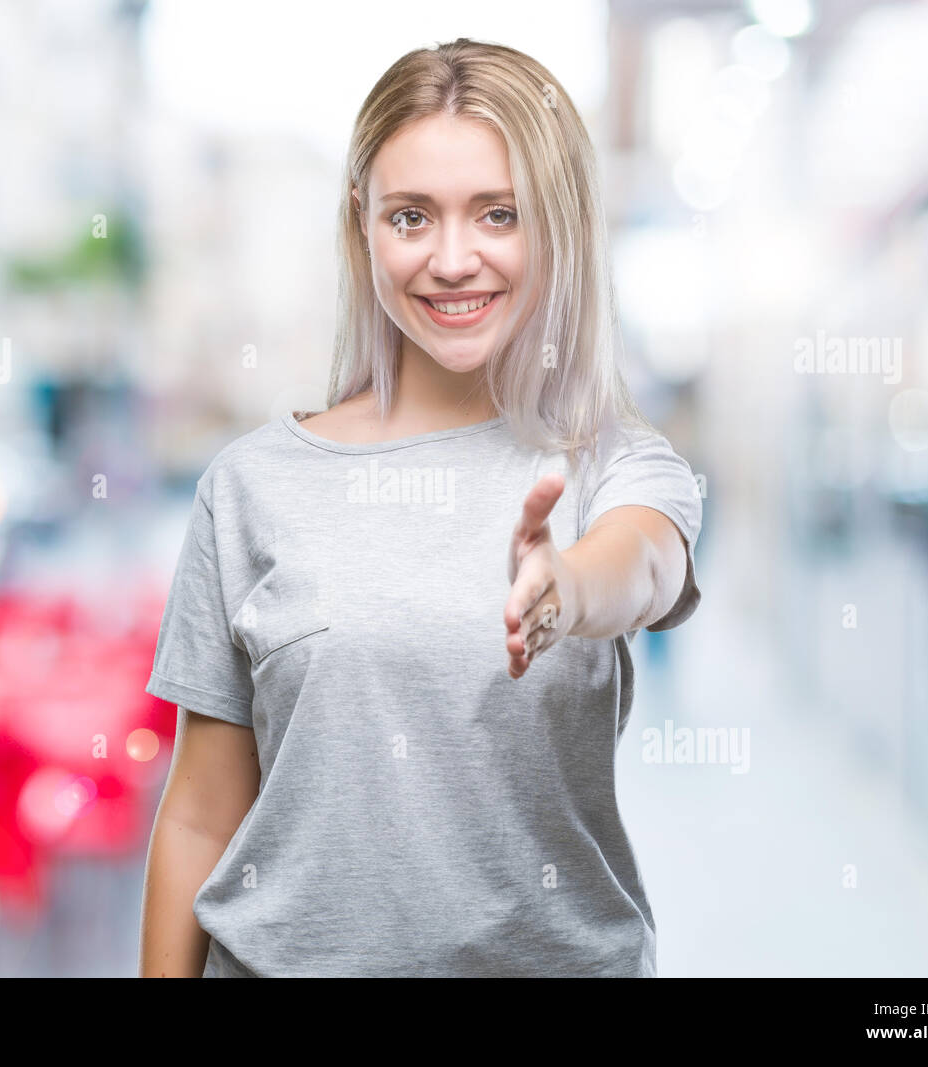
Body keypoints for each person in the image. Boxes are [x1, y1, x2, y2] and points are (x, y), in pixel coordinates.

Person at [139, 37, 702, 978]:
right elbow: (200, 811)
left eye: (498, 214)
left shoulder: (612, 466)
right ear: (364, 226)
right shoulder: (250, 484)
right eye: (411, 216)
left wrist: (564, 584)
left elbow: (640, 563)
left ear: (557, 225)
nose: (451, 259)